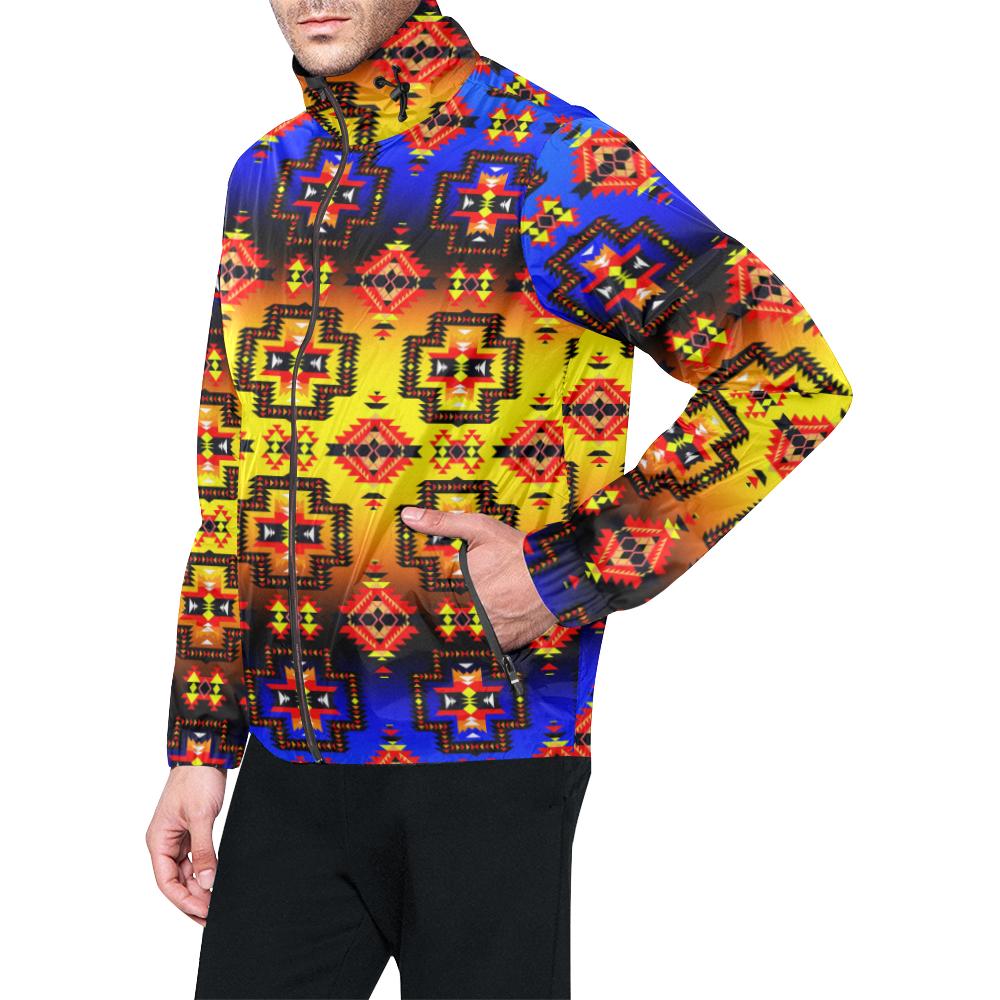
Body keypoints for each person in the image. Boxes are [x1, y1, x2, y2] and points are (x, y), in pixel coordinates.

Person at [145, 1, 854, 997]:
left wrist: (568, 573)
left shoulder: (550, 158)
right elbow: (233, 467)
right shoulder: (267, 172)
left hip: (488, 745)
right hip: (290, 757)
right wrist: (200, 742)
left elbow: (786, 376)